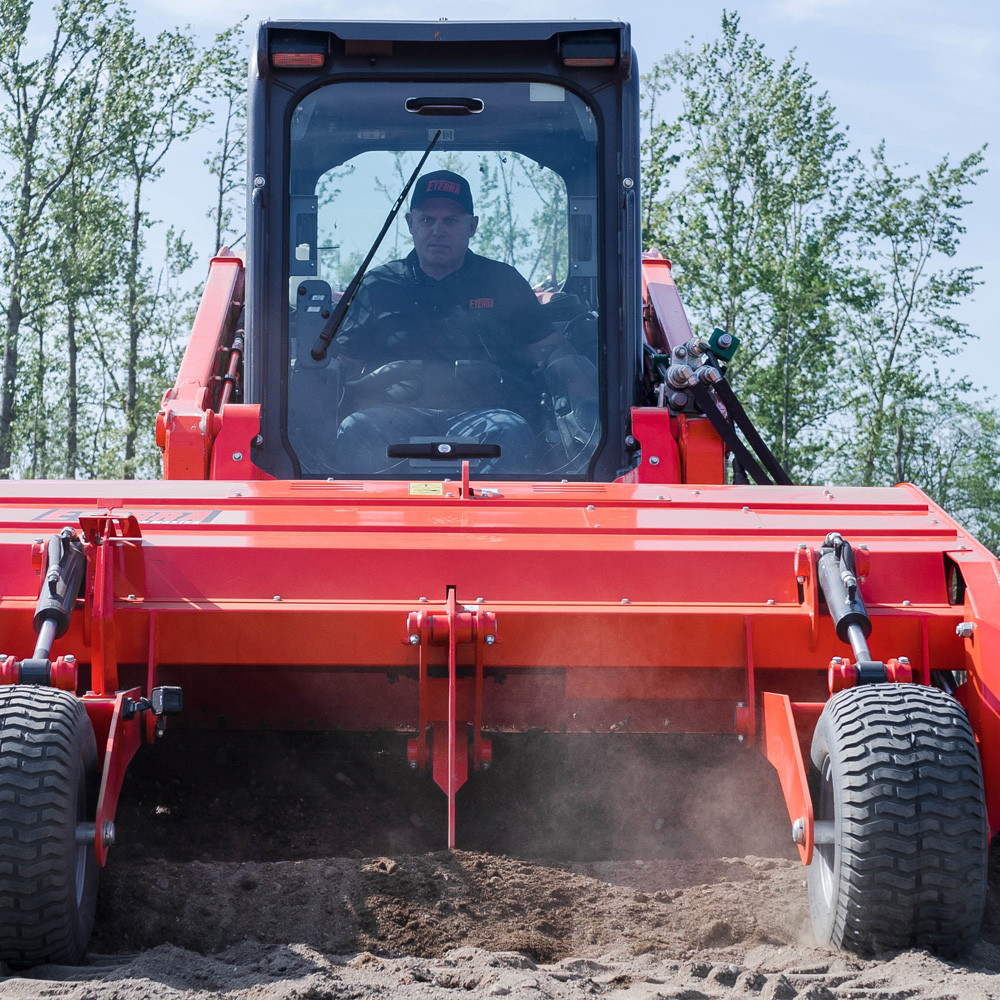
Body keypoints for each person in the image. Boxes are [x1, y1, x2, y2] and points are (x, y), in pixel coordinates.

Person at [331, 169, 573, 474]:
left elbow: (553, 354)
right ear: (410, 224)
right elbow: (342, 368)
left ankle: (501, 522)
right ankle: (369, 521)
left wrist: (576, 377)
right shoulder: (378, 286)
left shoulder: (502, 282)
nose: (437, 230)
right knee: (356, 428)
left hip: (487, 419)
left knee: (511, 431)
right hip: (392, 418)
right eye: (427, 220)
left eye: (450, 221)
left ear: (472, 226)